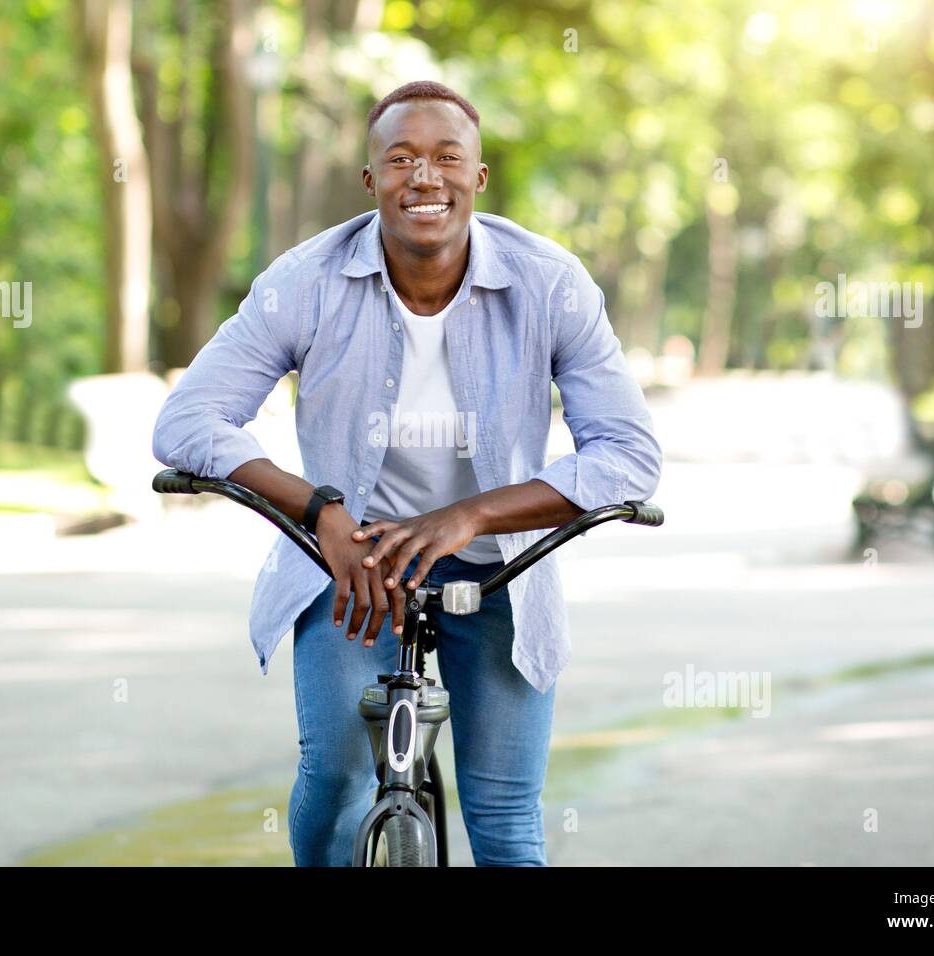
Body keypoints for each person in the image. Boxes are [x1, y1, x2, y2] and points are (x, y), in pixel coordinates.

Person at [152, 80, 662, 866]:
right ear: (371, 181)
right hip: (349, 563)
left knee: (505, 818)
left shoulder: (550, 283)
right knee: (334, 783)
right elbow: (186, 422)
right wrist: (321, 514)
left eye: (446, 157)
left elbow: (627, 452)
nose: (425, 177)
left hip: (500, 569)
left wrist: (471, 516)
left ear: (478, 178)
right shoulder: (306, 281)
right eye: (400, 159)